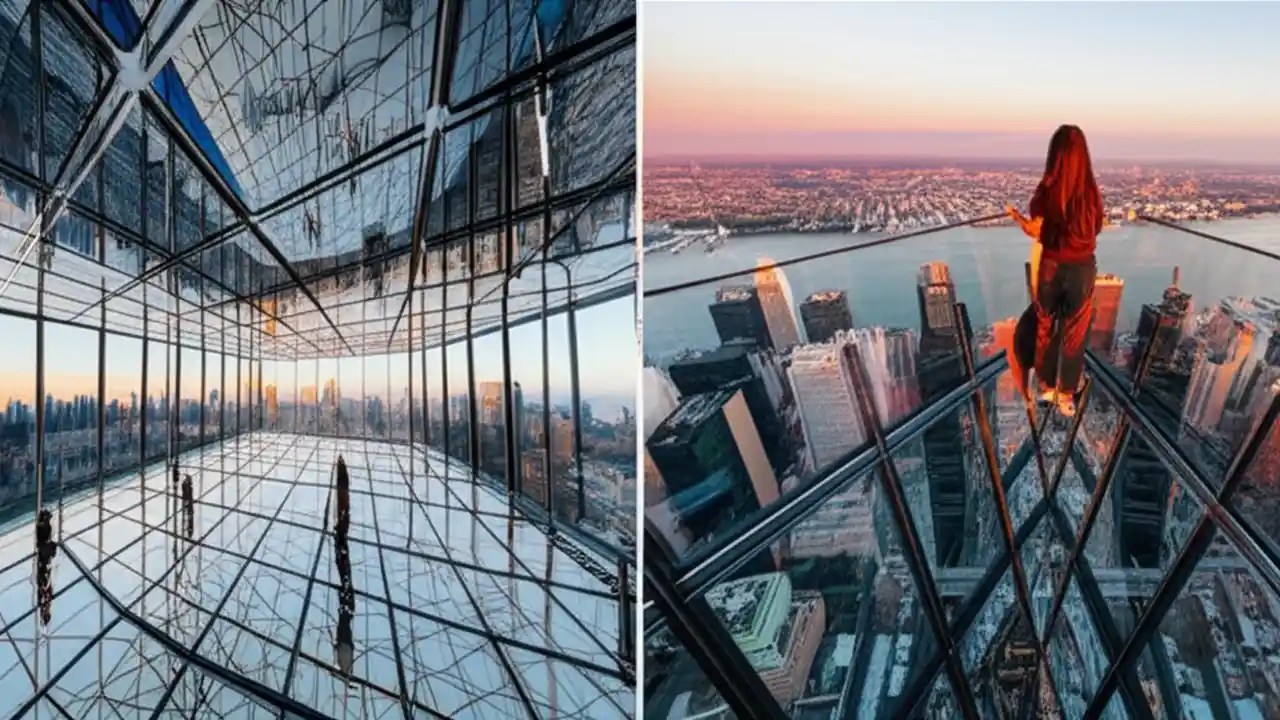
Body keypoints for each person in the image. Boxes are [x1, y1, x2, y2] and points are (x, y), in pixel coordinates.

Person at [1006, 124, 1103, 417]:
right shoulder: (1090, 194)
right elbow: (1096, 226)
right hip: (1082, 270)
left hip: (1051, 266)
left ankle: (1047, 385)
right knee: (1074, 332)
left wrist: (1023, 222)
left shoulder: (1047, 190)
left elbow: (1037, 227)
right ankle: (1066, 394)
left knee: (1045, 325)